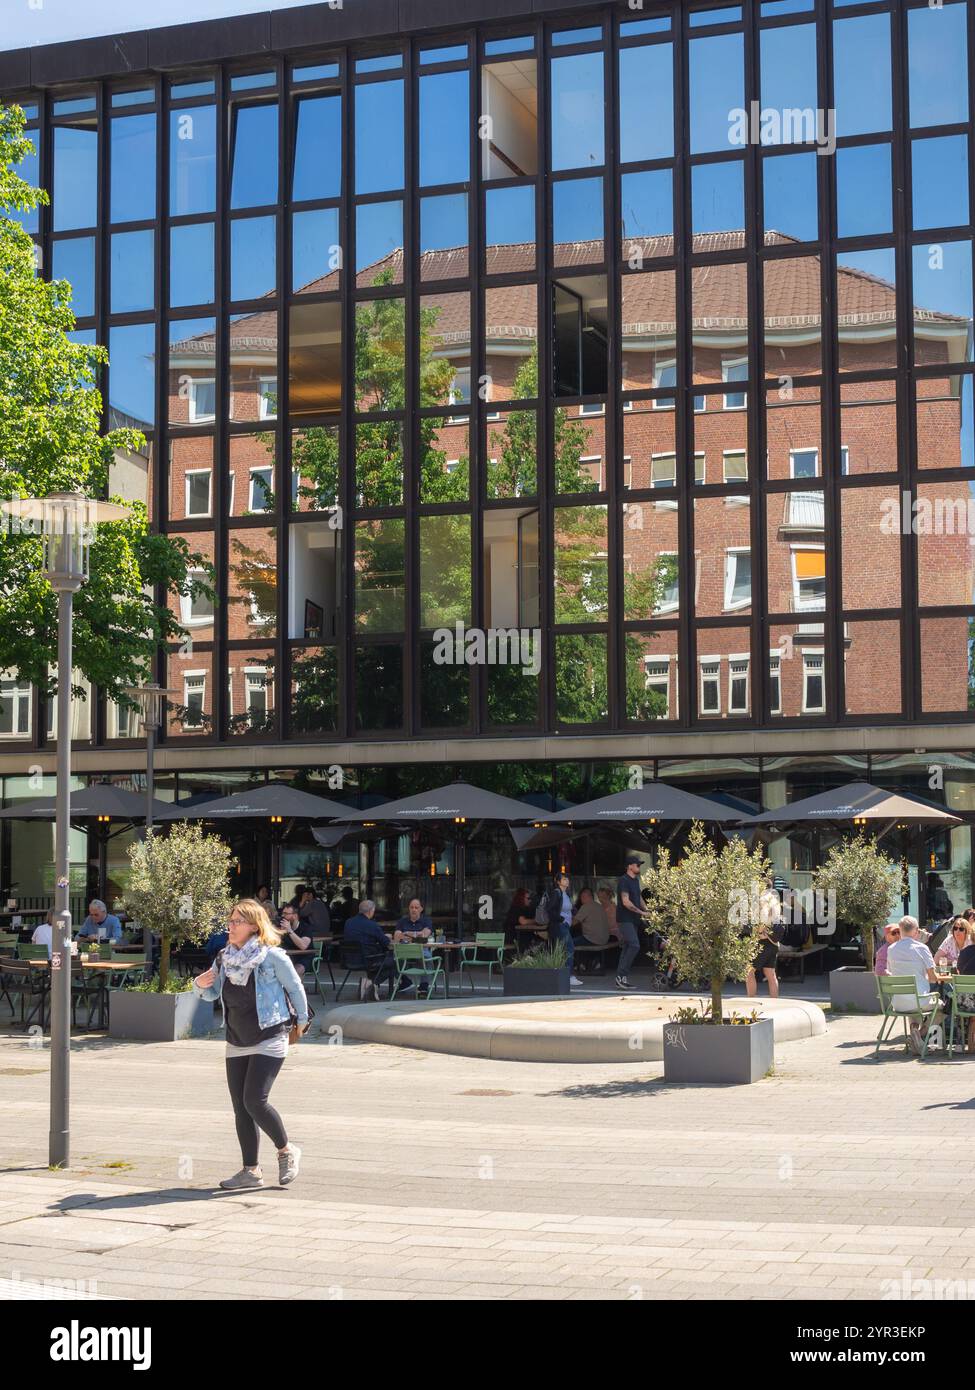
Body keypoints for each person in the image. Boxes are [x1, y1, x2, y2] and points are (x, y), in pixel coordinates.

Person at [193, 899, 308, 1190]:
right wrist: (199, 985)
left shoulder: (272, 956)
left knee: (254, 1100)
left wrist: (303, 1020)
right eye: (230, 921)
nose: (230, 927)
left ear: (254, 926)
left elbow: (295, 987)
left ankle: (286, 1150)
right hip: (236, 1037)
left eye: (237, 922)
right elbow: (212, 994)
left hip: (270, 1034)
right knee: (240, 1108)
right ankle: (251, 1171)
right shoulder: (224, 957)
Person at [886, 916, 943, 1054]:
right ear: (917, 931)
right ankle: (920, 1033)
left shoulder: (891, 949)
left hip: (898, 1002)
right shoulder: (922, 948)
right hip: (918, 1001)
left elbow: (891, 972)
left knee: (914, 1002)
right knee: (943, 1006)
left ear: (900, 930)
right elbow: (933, 978)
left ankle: (915, 1034)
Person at [343, 899, 403, 1002]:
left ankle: (370, 983)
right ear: (371, 911)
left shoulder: (348, 922)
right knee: (394, 961)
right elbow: (385, 943)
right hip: (368, 960)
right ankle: (371, 982)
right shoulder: (372, 925)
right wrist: (387, 937)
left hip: (349, 960)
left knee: (385, 961)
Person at [541, 872, 582, 988]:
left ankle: (562, 975)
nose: (567, 881)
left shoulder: (566, 894)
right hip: (560, 925)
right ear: (558, 881)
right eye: (564, 879)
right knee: (569, 947)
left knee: (561, 949)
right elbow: (550, 909)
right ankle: (569, 976)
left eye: (567, 879)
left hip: (566, 925)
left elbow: (570, 909)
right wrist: (561, 919)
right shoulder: (556, 893)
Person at [615, 856, 648, 991]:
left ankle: (621, 978)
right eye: (637, 865)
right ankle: (621, 976)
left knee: (628, 946)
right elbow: (626, 902)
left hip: (633, 919)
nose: (639, 867)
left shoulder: (635, 881)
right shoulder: (624, 880)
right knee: (634, 945)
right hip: (625, 918)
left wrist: (647, 910)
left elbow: (638, 897)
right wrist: (642, 912)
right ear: (630, 866)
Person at [277, 903, 312, 976]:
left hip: (303, 958)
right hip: (287, 957)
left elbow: (303, 946)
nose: (283, 916)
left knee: (294, 972)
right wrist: (280, 933)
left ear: (295, 916)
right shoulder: (280, 926)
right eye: (283, 913)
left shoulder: (305, 928)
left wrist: (289, 930)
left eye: (286, 914)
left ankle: (296, 987)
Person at [746, 923, 780, 998]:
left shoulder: (762, 912)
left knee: (749, 971)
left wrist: (760, 933)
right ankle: (775, 1002)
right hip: (774, 945)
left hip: (762, 943)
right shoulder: (777, 912)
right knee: (770, 973)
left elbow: (760, 929)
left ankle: (751, 1000)